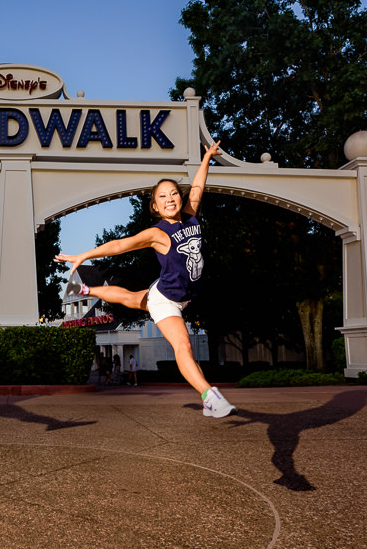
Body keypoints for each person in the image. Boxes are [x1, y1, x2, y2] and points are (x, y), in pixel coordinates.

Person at [55, 141, 236, 418]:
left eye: (173, 193)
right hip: (166, 300)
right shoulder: (157, 233)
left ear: (180, 197)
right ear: (155, 206)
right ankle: (209, 396)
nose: (170, 199)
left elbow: (198, 187)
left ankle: (87, 289)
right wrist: (84, 255)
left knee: (129, 298)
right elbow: (120, 245)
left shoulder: (190, 217)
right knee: (183, 345)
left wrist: (207, 158)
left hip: (176, 294)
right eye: (162, 196)